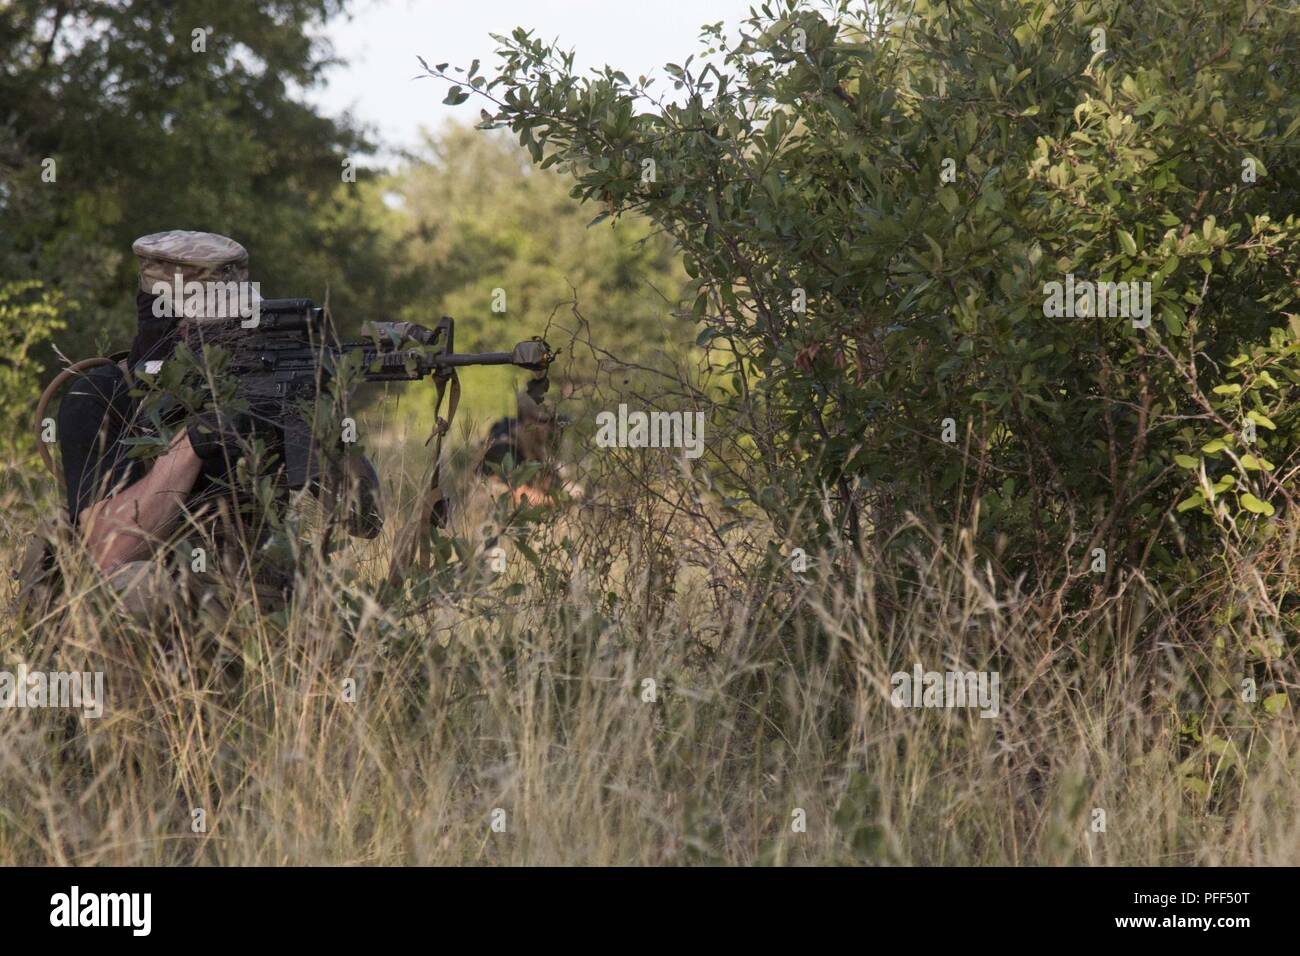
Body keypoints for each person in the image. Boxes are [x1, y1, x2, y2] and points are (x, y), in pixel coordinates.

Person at [57, 230, 381, 622]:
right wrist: (195, 441)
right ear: (171, 324)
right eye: (220, 325)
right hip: (148, 602)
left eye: (241, 319)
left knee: (352, 621)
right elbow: (110, 550)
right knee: (140, 589)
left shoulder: (262, 383)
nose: (239, 333)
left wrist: (325, 420)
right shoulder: (103, 395)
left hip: (245, 592)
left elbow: (364, 522)